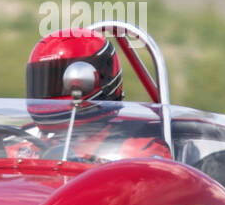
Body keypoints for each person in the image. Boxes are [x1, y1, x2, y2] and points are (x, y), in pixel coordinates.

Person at [21, 28, 169, 161]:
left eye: (57, 81)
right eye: (42, 79)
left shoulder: (135, 151)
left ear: (84, 79)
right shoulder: (25, 144)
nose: (47, 90)